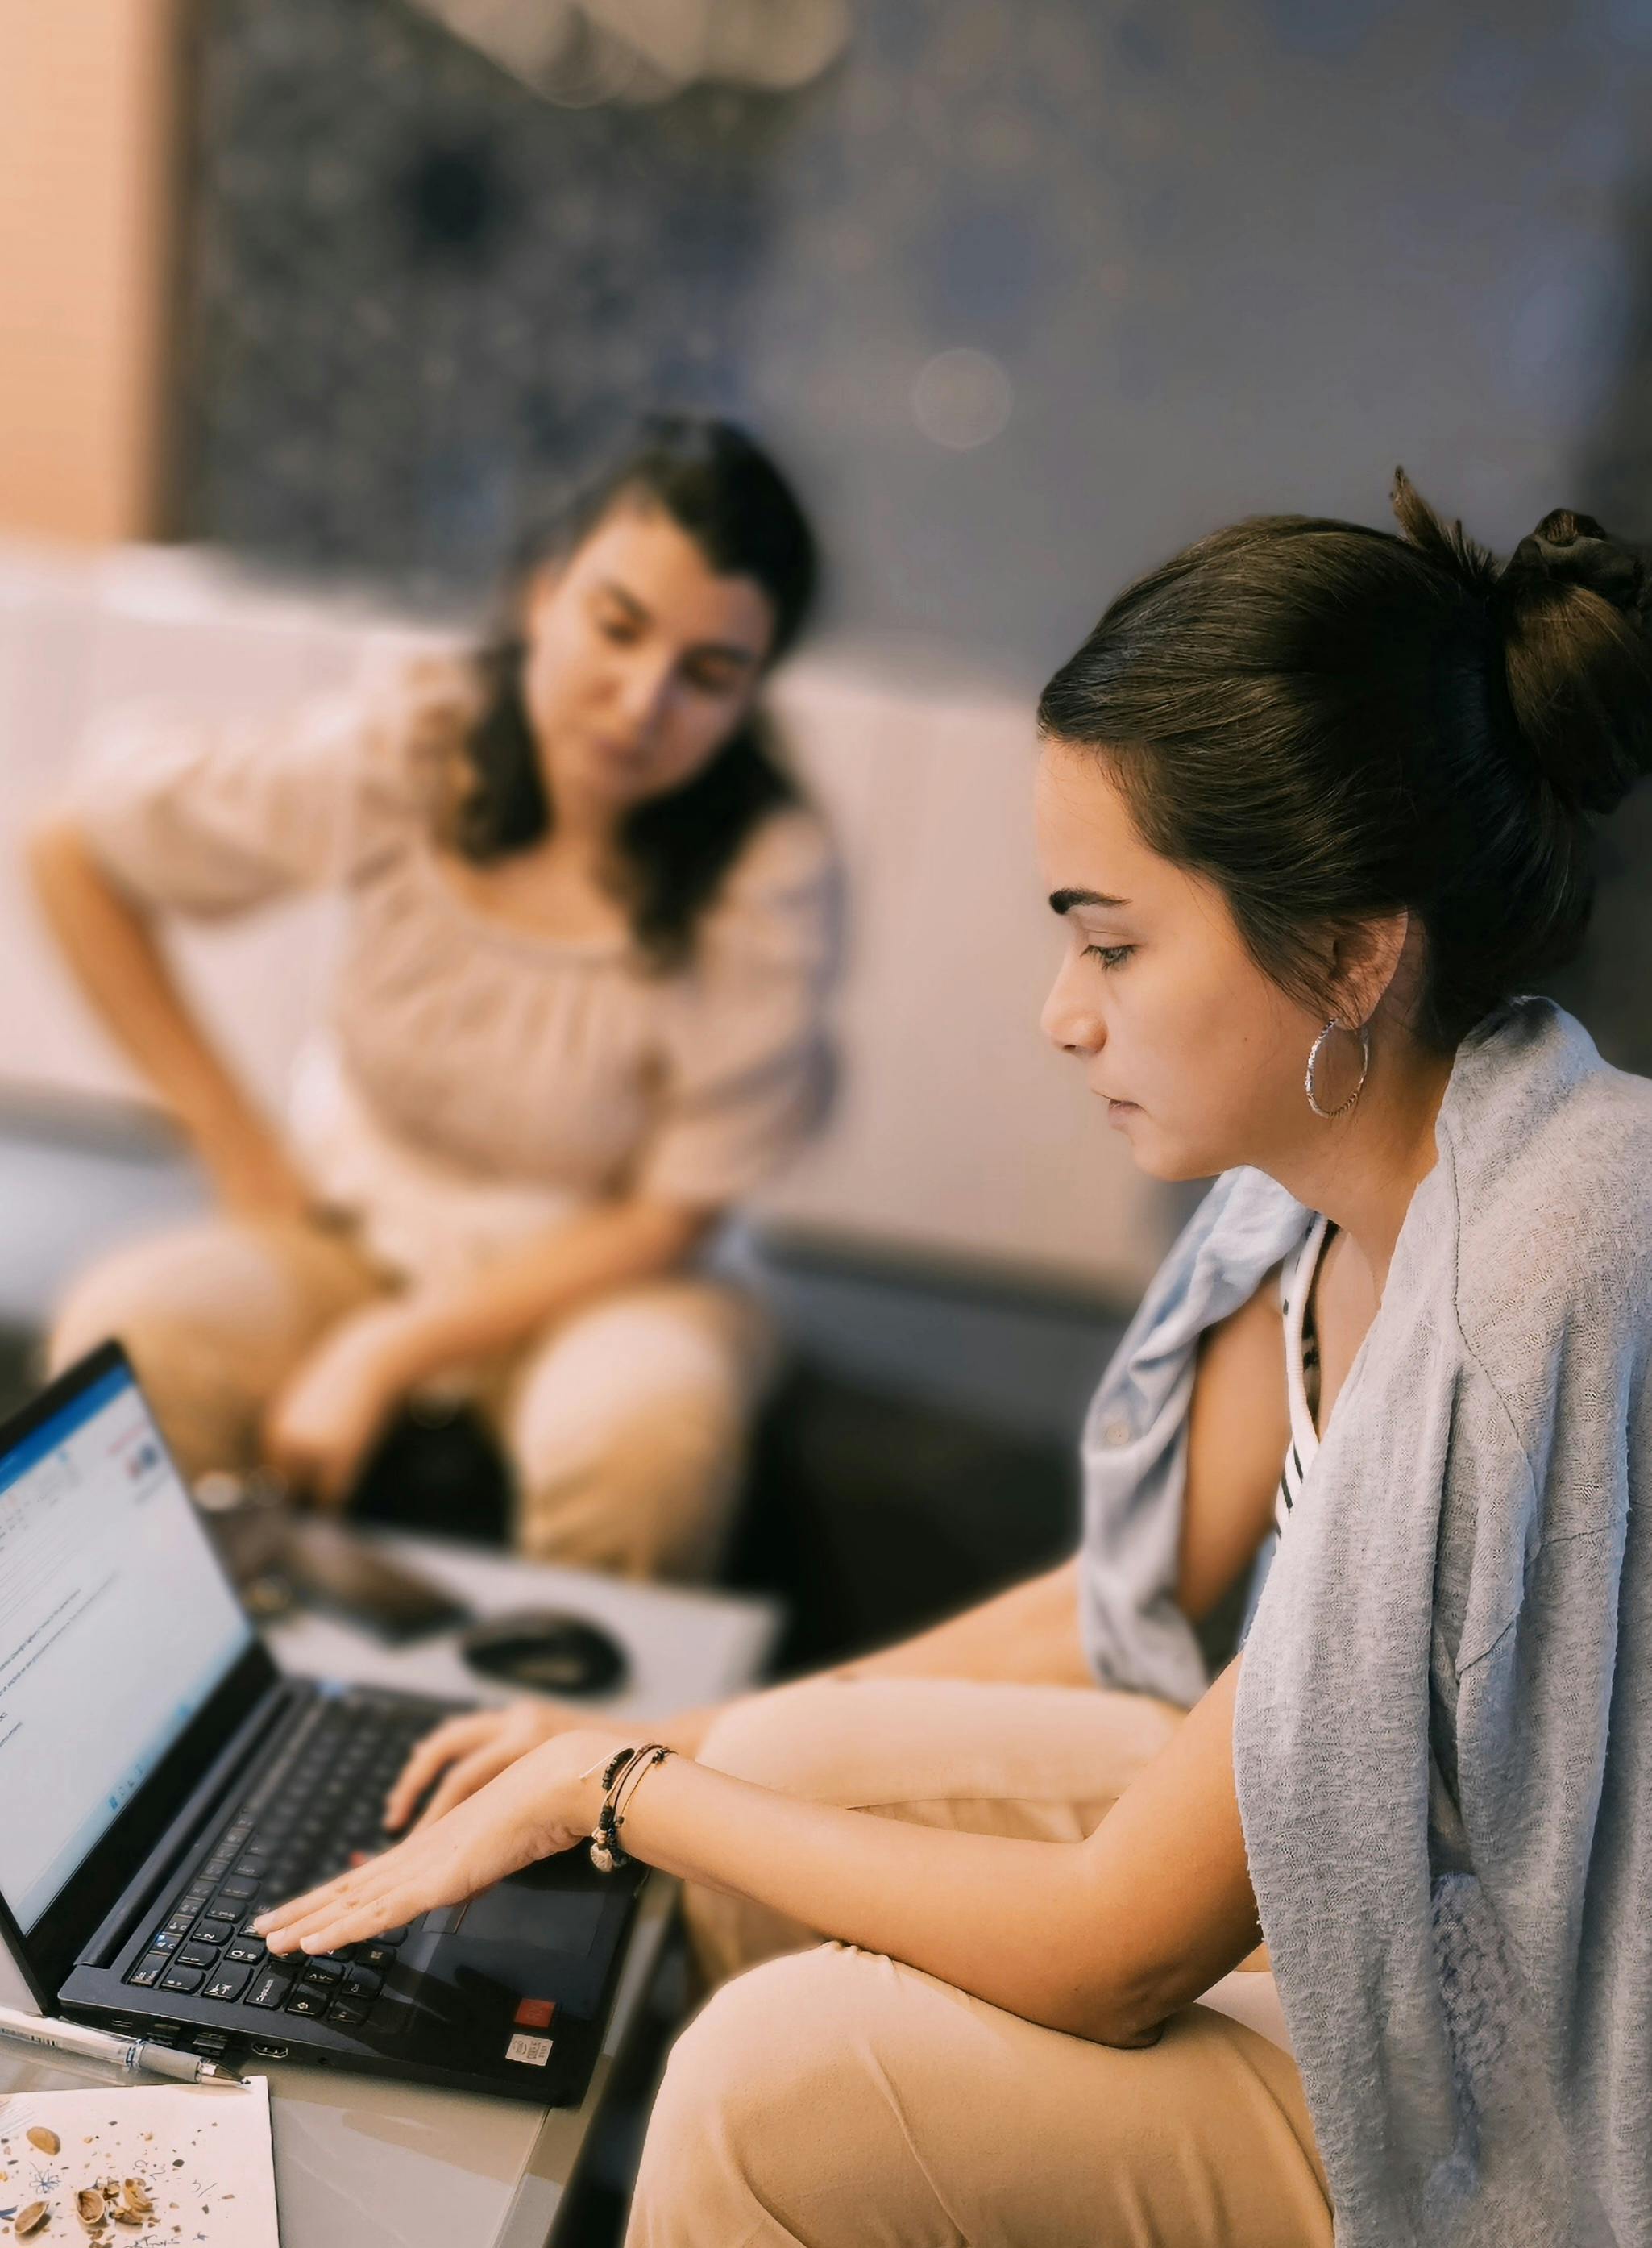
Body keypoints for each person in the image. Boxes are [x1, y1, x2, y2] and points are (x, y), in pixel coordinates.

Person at [257, 475, 1652, 2247]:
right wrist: (658, 1742)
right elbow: (1116, 1604)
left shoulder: (1511, 1305)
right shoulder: (1335, 1196)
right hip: (1386, 1899)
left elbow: (1110, 1950)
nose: (1060, 1012)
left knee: (775, 2087)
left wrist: (621, 1795)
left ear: (1354, 952)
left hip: (1500, 2090)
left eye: (1112, 942)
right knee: (778, 1772)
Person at [31, 416, 840, 1578]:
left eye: (708, 674)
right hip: (357, 1227)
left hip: (617, 1276)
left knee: (641, 1446)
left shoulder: (768, 873)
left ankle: (570, 1760)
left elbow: (670, 1216)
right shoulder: (414, 746)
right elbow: (77, 851)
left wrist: (383, 1353)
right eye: (616, 625)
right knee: (126, 1338)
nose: (639, 701)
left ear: (753, 692)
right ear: (540, 593)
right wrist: (229, 1134)